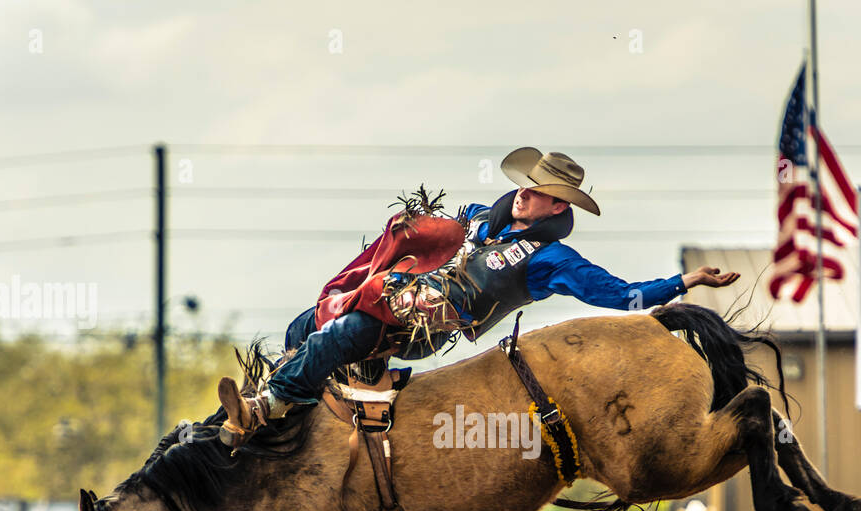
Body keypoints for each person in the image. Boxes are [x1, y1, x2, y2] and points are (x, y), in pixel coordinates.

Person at [216, 147, 740, 438]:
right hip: (395, 296)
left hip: (426, 328)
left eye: (539, 193)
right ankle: (302, 404)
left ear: (559, 208)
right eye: (527, 185)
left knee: (346, 333)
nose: (524, 194)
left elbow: (620, 295)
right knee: (303, 327)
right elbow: (422, 240)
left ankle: (269, 406)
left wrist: (685, 283)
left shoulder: (551, 259)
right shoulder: (472, 217)